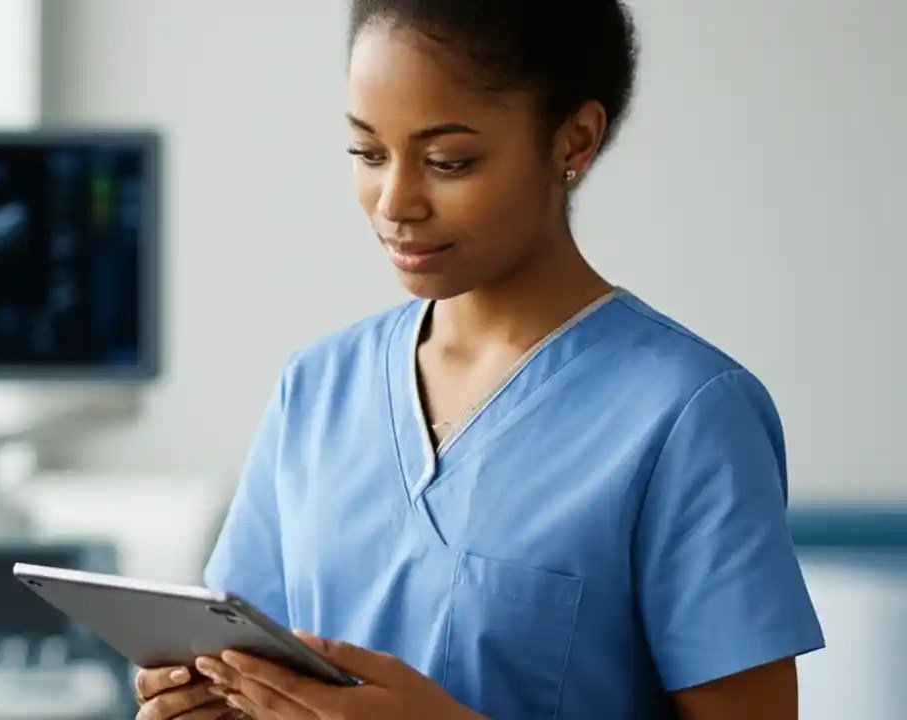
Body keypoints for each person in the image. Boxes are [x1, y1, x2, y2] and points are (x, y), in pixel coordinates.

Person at [136, 1, 824, 718]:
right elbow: (249, 668)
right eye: (368, 154)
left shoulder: (688, 414)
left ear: (574, 140)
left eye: (448, 162)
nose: (395, 203)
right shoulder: (316, 388)